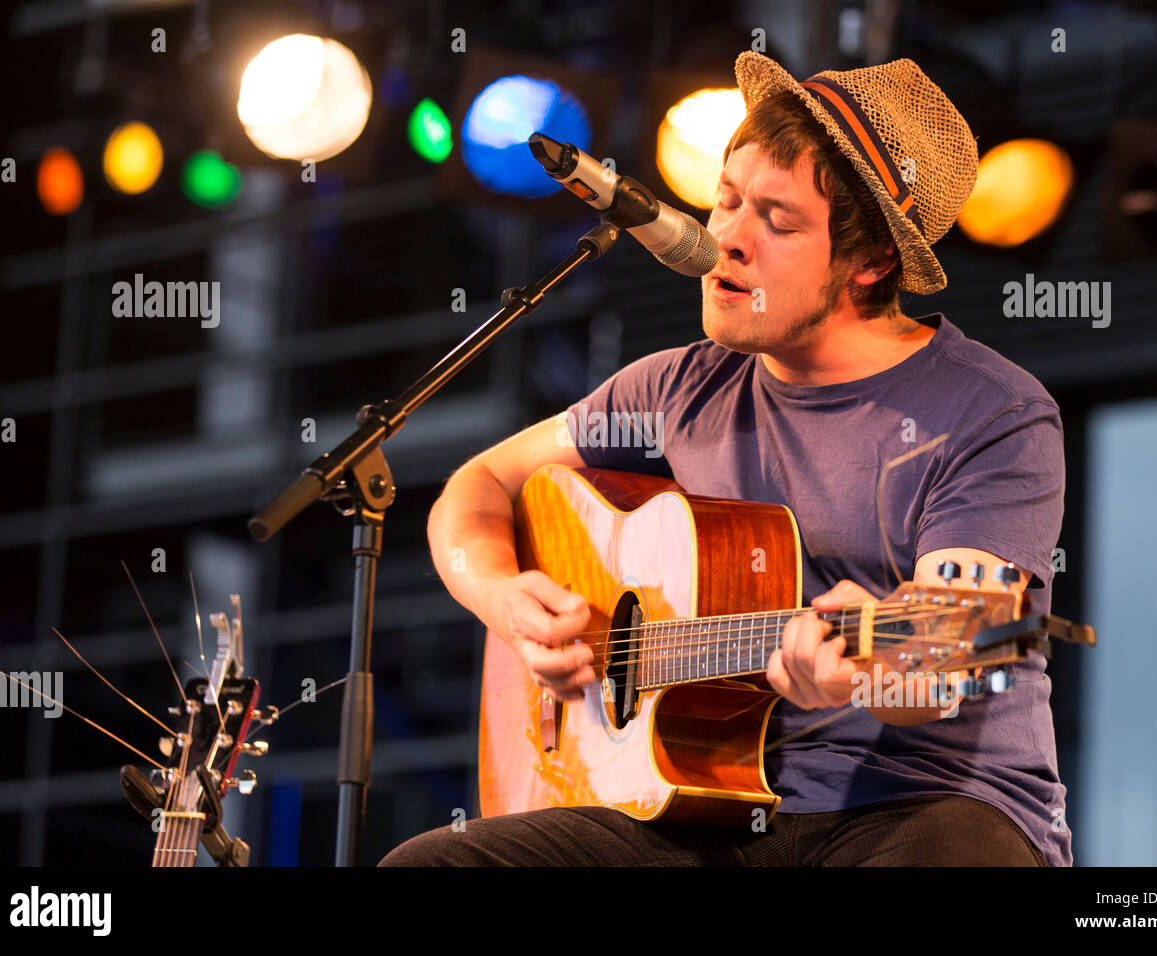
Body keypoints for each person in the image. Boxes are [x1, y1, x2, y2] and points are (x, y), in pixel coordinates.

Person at [380, 52, 1068, 866]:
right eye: (728, 199)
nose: (727, 238)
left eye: (777, 221)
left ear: (872, 261)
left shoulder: (992, 411)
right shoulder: (676, 389)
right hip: (705, 805)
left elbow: (951, 654)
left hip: (922, 804)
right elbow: (479, 484)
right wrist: (503, 598)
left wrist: (861, 673)